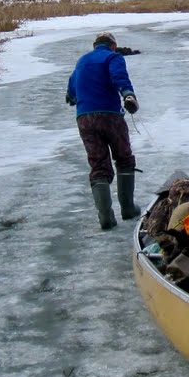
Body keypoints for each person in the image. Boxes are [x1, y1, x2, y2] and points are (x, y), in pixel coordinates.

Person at [65, 31, 140, 230]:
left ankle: (105, 217)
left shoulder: (82, 61)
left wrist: (73, 97)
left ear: (95, 45)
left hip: (84, 118)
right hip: (110, 115)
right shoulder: (113, 57)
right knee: (124, 159)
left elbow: (71, 90)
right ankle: (128, 208)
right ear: (113, 45)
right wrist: (128, 94)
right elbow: (119, 76)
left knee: (98, 165)